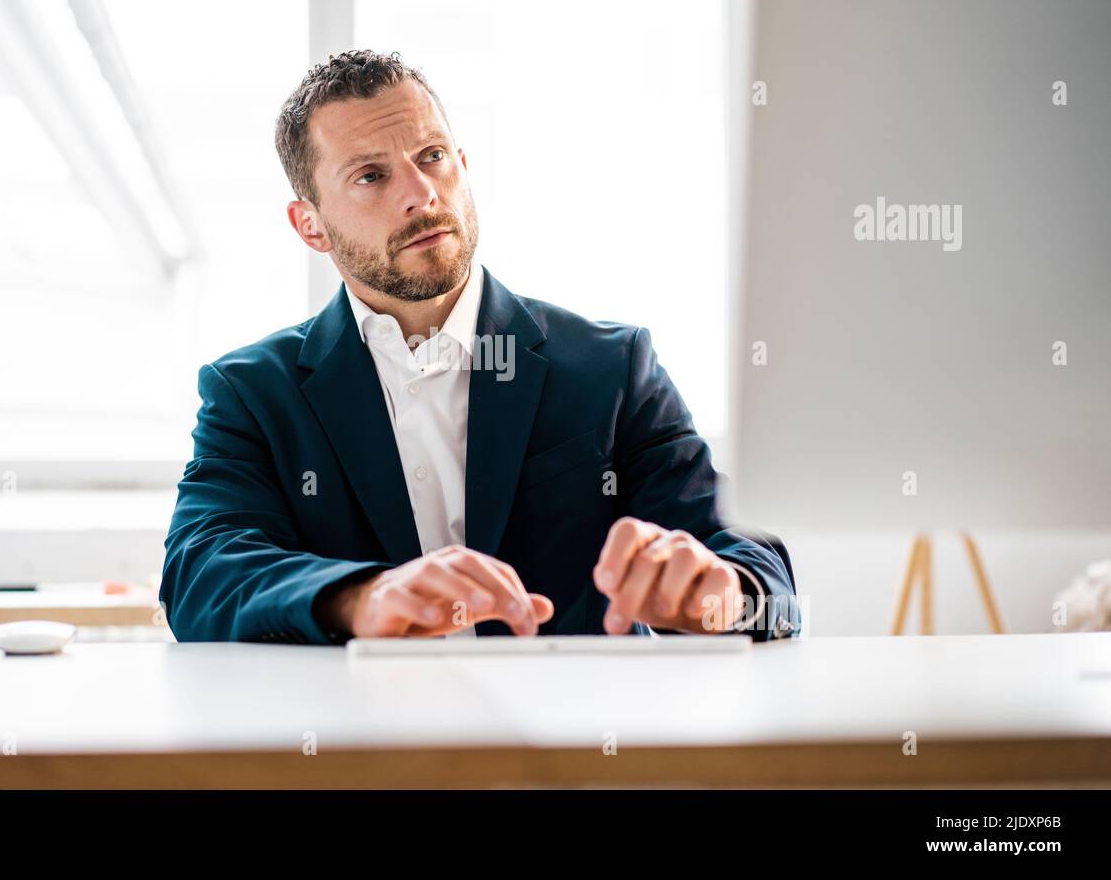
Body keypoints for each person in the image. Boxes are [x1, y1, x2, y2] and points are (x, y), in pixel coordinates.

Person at [161, 50, 800, 643]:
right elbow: (198, 574)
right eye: (371, 175)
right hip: (356, 749)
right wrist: (362, 597)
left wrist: (724, 595)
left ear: (462, 167)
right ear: (311, 225)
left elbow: (765, 578)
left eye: (432, 156)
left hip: (577, 752)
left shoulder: (612, 367)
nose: (420, 194)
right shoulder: (250, 394)